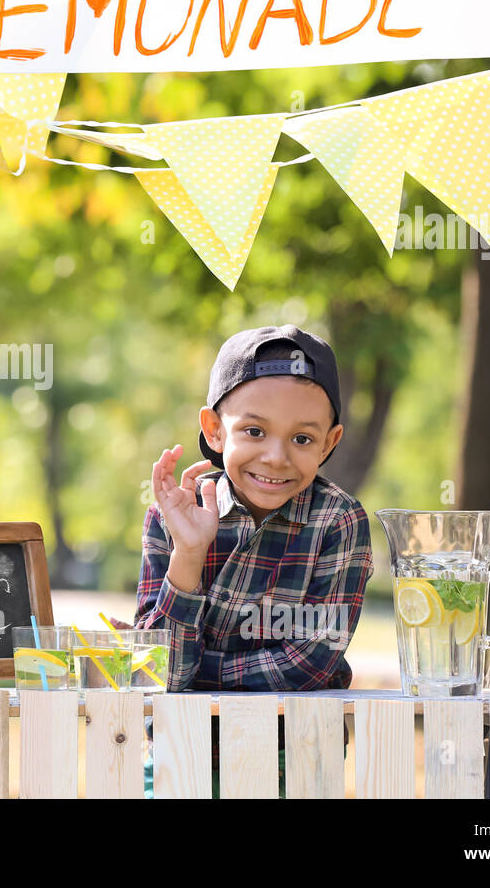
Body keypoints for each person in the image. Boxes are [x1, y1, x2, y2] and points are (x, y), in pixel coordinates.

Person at [132, 324, 374, 798]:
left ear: (330, 442)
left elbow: (313, 661)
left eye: (302, 439)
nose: (276, 456)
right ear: (215, 430)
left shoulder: (337, 522)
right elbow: (157, 673)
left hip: (294, 756)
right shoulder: (173, 517)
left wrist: (201, 677)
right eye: (255, 431)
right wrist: (189, 553)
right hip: (182, 749)